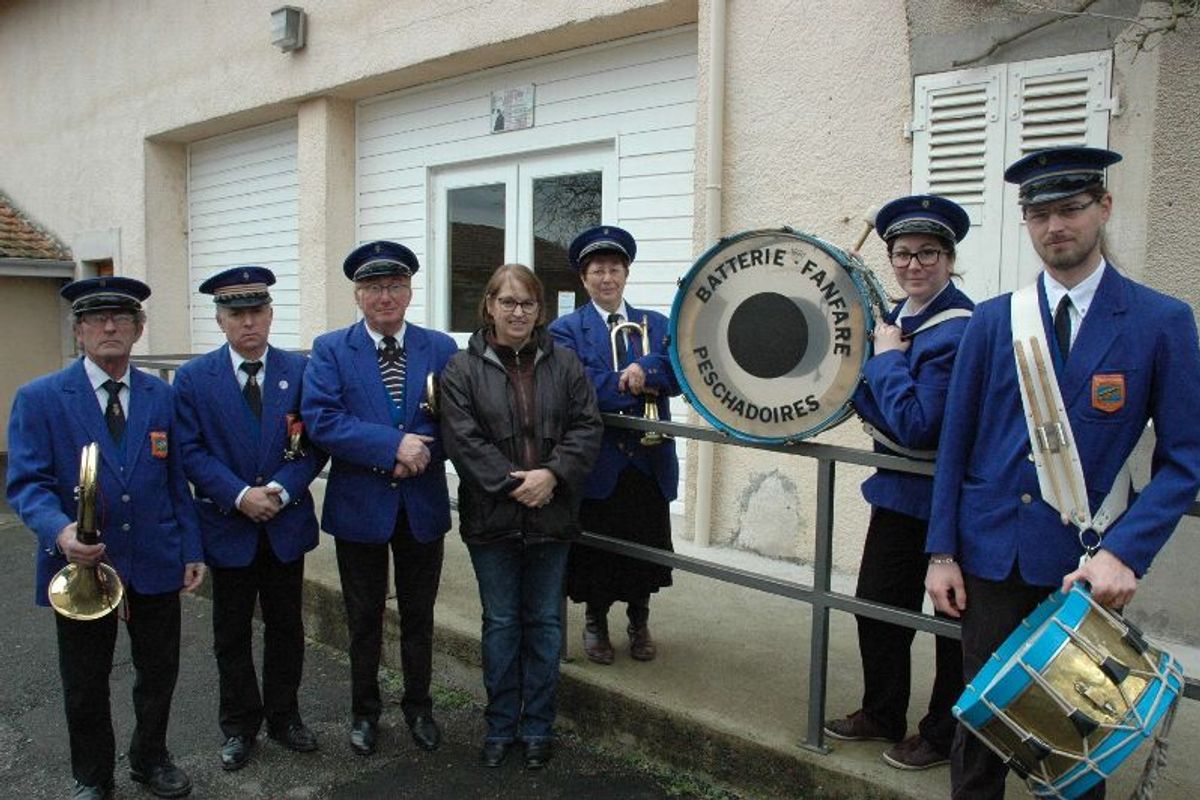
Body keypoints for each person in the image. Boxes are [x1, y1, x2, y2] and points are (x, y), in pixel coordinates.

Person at [925, 146, 1200, 799]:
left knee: (1078, 740)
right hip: (991, 556)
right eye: (1040, 214)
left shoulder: (1161, 322)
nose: (1056, 226)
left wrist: (1125, 553)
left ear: (1104, 207)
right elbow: (956, 445)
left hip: (1087, 563)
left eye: (1071, 208)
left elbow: (1186, 457)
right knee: (979, 732)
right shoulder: (993, 320)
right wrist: (941, 552)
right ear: (1026, 222)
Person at [6, 277, 205, 800]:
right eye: (97, 319)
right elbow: (26, 484)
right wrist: (60, 531)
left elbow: (177, 481)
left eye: (122, 319)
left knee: (158, 671)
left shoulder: (162, 396)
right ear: (79, 332)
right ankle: (93, 775)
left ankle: (150, 758)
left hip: (155, 556)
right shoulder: (41, 398)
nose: (110, 327)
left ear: (138, 329)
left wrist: (191, 549)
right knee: (85, 679)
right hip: (82, 567)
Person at [823, 196, 973, 771]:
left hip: (947, 499)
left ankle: (942, 735)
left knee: (949, 623)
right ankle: (882, 713)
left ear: (949, 259)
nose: (913, 265)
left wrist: (886, 361)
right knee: (878, 607)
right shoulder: (896, 318)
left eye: (928, 253)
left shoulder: (958, 329)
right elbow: (859, 395)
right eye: (903, 253)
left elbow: (916, 425)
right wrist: (884, 369)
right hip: (896, 492)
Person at [440, 264, 602, 770]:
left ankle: (537, 728)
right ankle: (500, 725)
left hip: (553, 515)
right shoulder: (460, 369)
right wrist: (516, 484)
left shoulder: (565, 363)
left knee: (547, 623)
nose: (517, 312)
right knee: (502, 623)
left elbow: (587, 426)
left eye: (527, 303)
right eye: (507, 302)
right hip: (492, 519)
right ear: (489, 305)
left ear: (540, 310)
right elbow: (462, 440)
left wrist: (551, 475)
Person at [301, 241, 458, 757]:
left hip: (421, 504)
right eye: (373, 287)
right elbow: (322, 420)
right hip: (360, 506)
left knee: (419, 615)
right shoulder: (331, 349)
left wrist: (420, 452)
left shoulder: (440, 348)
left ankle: (419, 707)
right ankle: (364, 713)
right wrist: (392, 448)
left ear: (410, 291)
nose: (384, 296)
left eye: (394, 285)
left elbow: (457, 419)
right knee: (363, 617)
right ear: (357, 294)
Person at [174, 266, 328, 771]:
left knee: (286, 628)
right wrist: (240, 495)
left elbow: (315, 443)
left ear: (270, 314)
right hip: (229, 525)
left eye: (256, 311)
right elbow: (190, 451)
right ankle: (239, 726)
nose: (248, 322)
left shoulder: (301, 371)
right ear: (219, 320)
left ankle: (285, 717)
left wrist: (280, 490)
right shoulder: (194, 379)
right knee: (231, 634)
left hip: (284, 523)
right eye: (236, 313)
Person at [547, 225, 680, 664]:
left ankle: (639, 621)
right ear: (583, 278)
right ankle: (596, 622)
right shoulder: (564, 330)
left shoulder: (657, 324)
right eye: (598, 270)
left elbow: (680, 374)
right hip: (597, 462)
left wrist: (649, 369)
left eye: (614, 269)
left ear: (626, 274)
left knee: (644, 550)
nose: (607, 278)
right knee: (596, 554)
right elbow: (577, 387)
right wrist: (631, 382)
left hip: (648, 461)